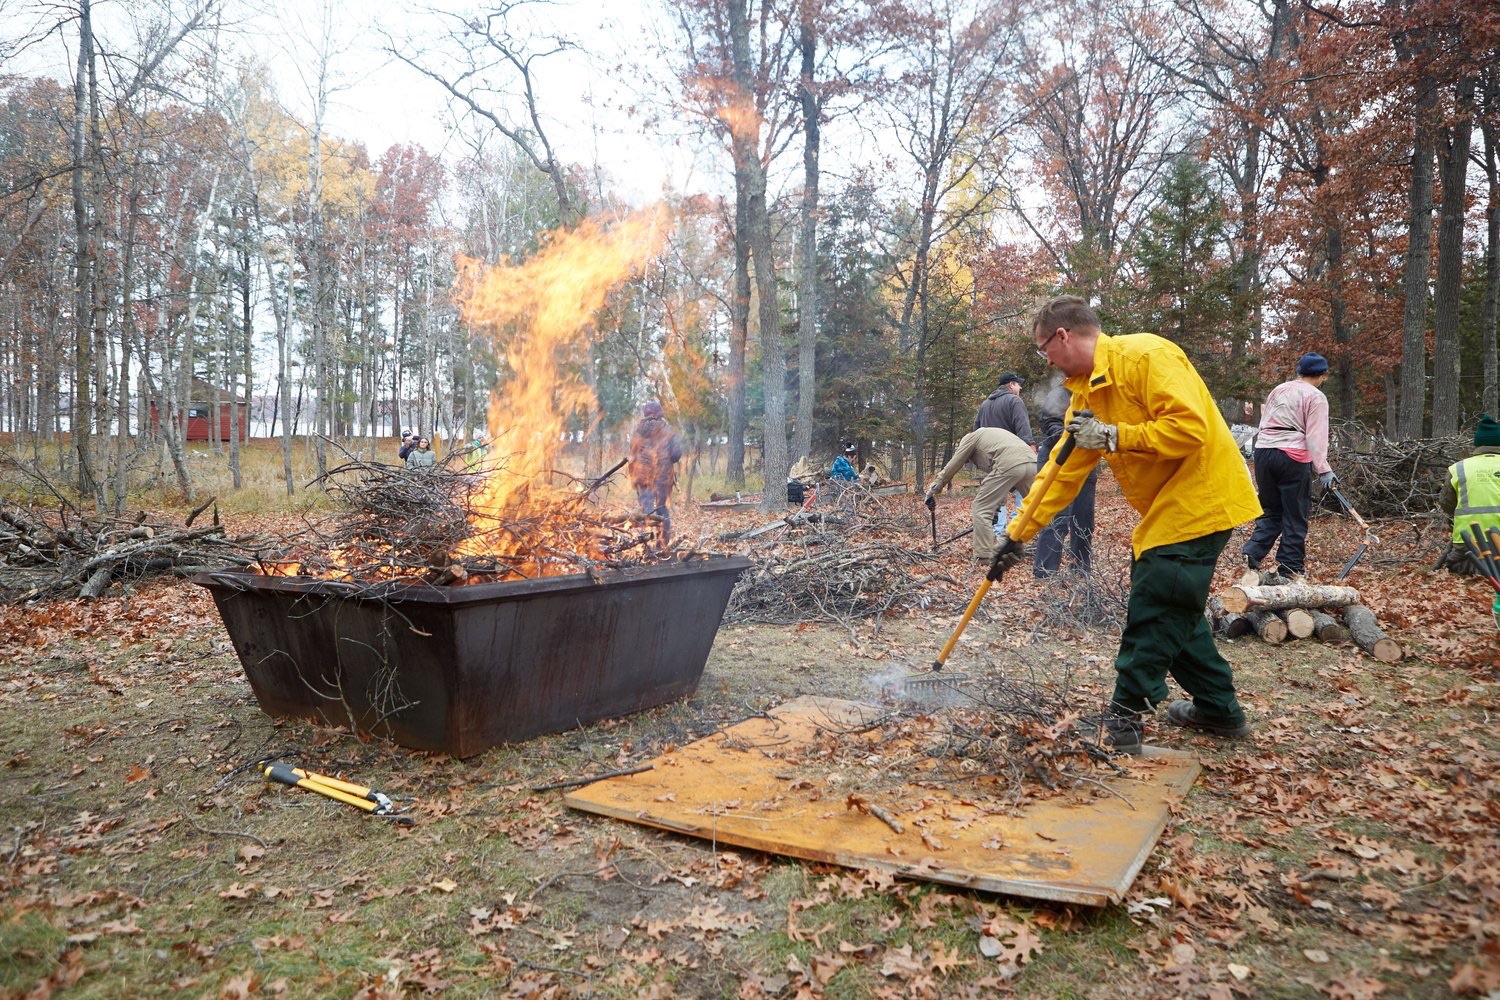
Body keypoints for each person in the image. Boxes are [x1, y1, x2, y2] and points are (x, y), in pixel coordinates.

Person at [993, 295, 1261, 755]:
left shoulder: (1146, 356)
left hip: (1204, 495)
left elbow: (1190, 428)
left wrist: (1114, 435)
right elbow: (1061, 473)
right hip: (1169, 507)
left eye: (1044, 349)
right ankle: (1218, 709)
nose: (1047, 361)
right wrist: (1017, 535)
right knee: (1173, 604)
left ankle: (1125, 716)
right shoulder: (1086, 394)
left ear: (1063, 336)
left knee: (1158, 596)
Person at [1241, 352, 1334, 580]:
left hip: (1264, 452)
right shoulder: (1316, 396)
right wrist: (1324, 469)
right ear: (1321, 375)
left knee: (1271, 509)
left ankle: (1253, 551)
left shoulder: (1279, 390)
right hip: (1292, 455)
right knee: (1295, 514)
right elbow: (1316, 435)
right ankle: (1291, 568)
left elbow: (1265, 422)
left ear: (1299, 371)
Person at [923, 427, 1036, 563]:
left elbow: (953, 464)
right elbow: (999, 485)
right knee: (1037, 507)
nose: (968, 461)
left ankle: (983, 556)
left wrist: (933, 489)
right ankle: (1051, 546)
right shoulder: (991, 439)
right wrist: (996, 509)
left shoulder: (971, 438)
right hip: (1032, 461)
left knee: (981, 508)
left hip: (1010, 463)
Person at [1032, 376, 1097, 578]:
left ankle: (1081, 569)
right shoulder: (1060, 393)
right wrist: (1070, 438)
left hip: (1085, 462)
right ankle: (1045, 572)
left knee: (1084, 519)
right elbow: (1050, 423)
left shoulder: (1096, 395)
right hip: (1056, 460)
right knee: (1056, 518)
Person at [1439, 414, 1500, 576]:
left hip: (1467, 541)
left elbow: (1446, 504)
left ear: (1477, 444)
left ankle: (1479, 568)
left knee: (1456, 563)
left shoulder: (1459, 468)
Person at [629, 402, 684, 543]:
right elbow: (676, 454)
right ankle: (663, 544)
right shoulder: (668, 431)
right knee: (662, 509)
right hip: (662, 479)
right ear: (660, 414)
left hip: (642, 478)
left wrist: (634, 477)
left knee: (645, 509)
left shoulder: (637, 432)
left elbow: (632, 456)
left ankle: (644, 543)